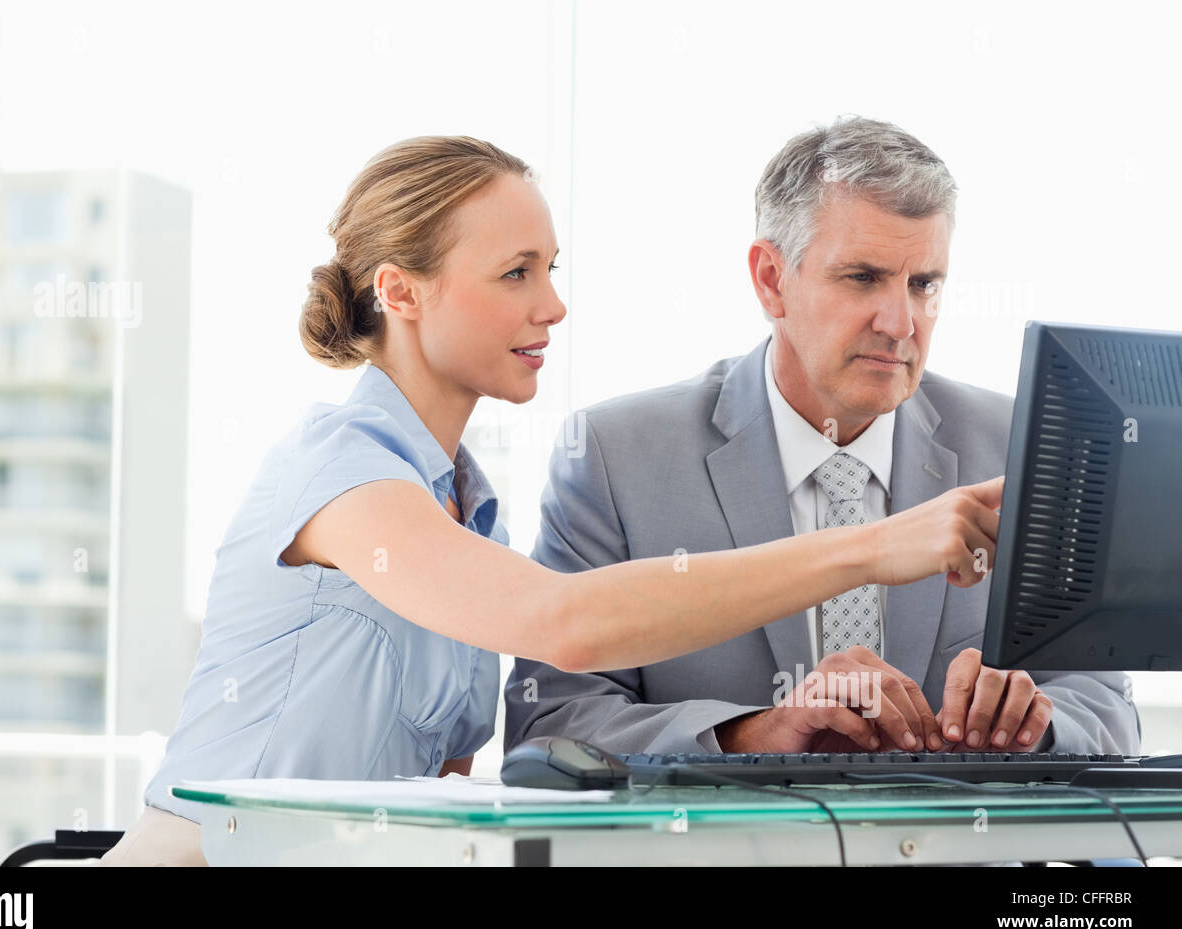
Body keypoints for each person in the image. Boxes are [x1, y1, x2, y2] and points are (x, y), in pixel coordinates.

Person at [101, 134, 1005, 866]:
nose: (554, 306)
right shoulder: (341, 474)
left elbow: (448, 786)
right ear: (401, 292)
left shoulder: (463, 506)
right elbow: (566, 621)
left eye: (551, 268)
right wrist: (874, 547)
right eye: (516, 273)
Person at [505, 116, 1141, 760]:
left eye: (924, 285)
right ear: (771, 280)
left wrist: (1034, 721)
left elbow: (1107, 705)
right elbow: (552, 721)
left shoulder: (1022, 449)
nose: (900, 323)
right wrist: (755, 734)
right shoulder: (618, 457)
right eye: (862, 277)